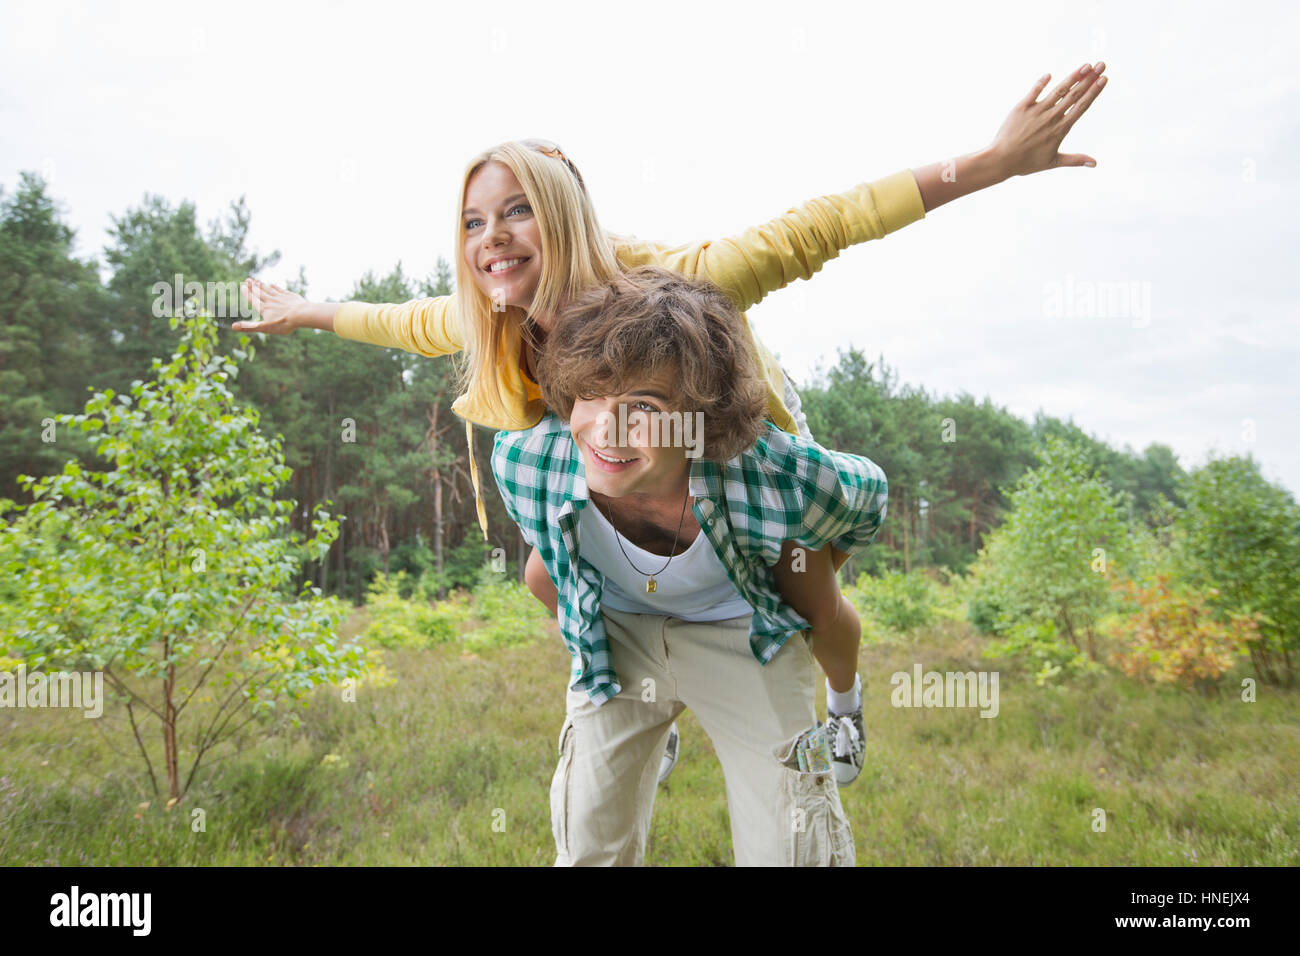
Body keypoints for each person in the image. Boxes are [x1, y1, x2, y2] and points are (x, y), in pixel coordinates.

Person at [234, 61, 1109, 783]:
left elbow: (822, 226)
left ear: (563, 209)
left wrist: (993, 162)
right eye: (472, 221)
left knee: (808, 594)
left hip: (732, 457)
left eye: (514, 210)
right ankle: (642, 701)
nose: (489, 237)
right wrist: (304, 309)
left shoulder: (673, 280)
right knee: (544, 579)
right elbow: (392, 319)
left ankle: (842, 707)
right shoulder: (491, 319)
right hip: (628, 478)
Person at [492, 265, 890, 865]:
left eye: (645, 404)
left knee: (791, 843)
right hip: (620, 630)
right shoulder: (527, 460)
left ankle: (844, 705)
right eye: (592, 392)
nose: (608, 427)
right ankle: (652, 725)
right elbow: (550, 551)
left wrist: (806, 559)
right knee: (587, 837)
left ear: (702, 422)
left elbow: (869, 497)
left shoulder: (783, 477)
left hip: (740, 629)